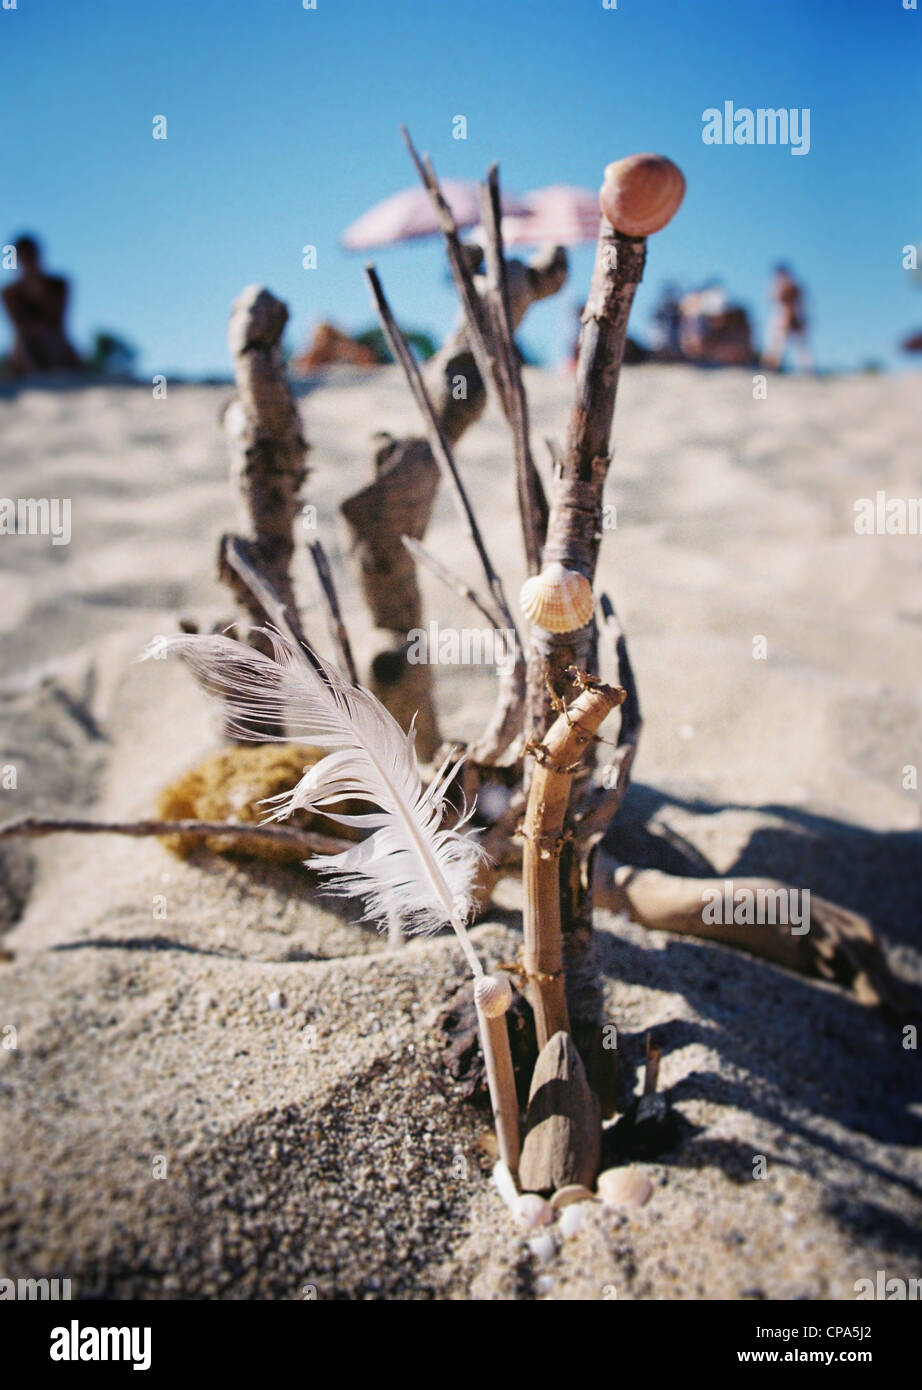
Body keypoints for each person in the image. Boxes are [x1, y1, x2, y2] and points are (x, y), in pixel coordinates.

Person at [2, 234, 81, 377]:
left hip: (56, 347)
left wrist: (39, 290)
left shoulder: (59, 285)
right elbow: (19, 326)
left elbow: (57, 321)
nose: (29, 262)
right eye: (25, 257)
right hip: (25, 353)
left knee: (49, 337)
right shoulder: (10, 293)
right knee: (25, 341)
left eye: (31, 256)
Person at [762, 263, 812, 371]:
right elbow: (773, 300)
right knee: (775, 346)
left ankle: (807, 370)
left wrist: (800, 318)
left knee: (801, 347)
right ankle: (771, 368)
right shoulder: (775, 287)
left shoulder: (794, 286)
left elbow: (801, 304)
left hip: (793, 318)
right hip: (780, 318)